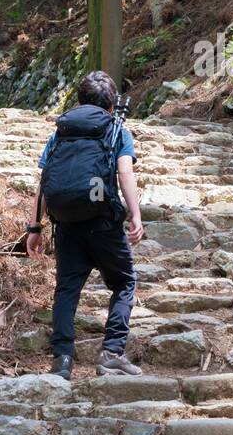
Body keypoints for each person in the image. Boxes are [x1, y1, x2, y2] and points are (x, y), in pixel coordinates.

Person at [24, 71, 145, 380]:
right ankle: (111, 354)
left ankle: (62, 360)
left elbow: (44, 181)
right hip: (103, 222)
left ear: (79, 101)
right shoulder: (117, 129)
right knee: (124, 283)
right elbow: (125, 173)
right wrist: (135, 214)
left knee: (66, 290)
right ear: (110, 105)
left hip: (66, 222)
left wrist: (34, 227)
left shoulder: (60, 133)